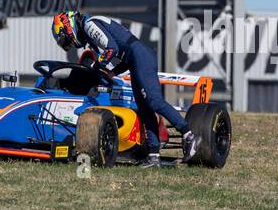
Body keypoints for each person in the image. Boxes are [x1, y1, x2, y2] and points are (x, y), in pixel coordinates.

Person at [51, 10, 196, 168]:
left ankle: (189, 135)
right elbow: (122, 51)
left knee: (154, 102)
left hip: (141, 58)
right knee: (145, 109)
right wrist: (112, 72)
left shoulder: (89, 25)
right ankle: (153, 155)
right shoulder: (90, 28)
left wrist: (97, 65)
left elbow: (111, 49)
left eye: (67, 37)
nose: (70, 43)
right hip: (135, 60)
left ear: (69, 25)